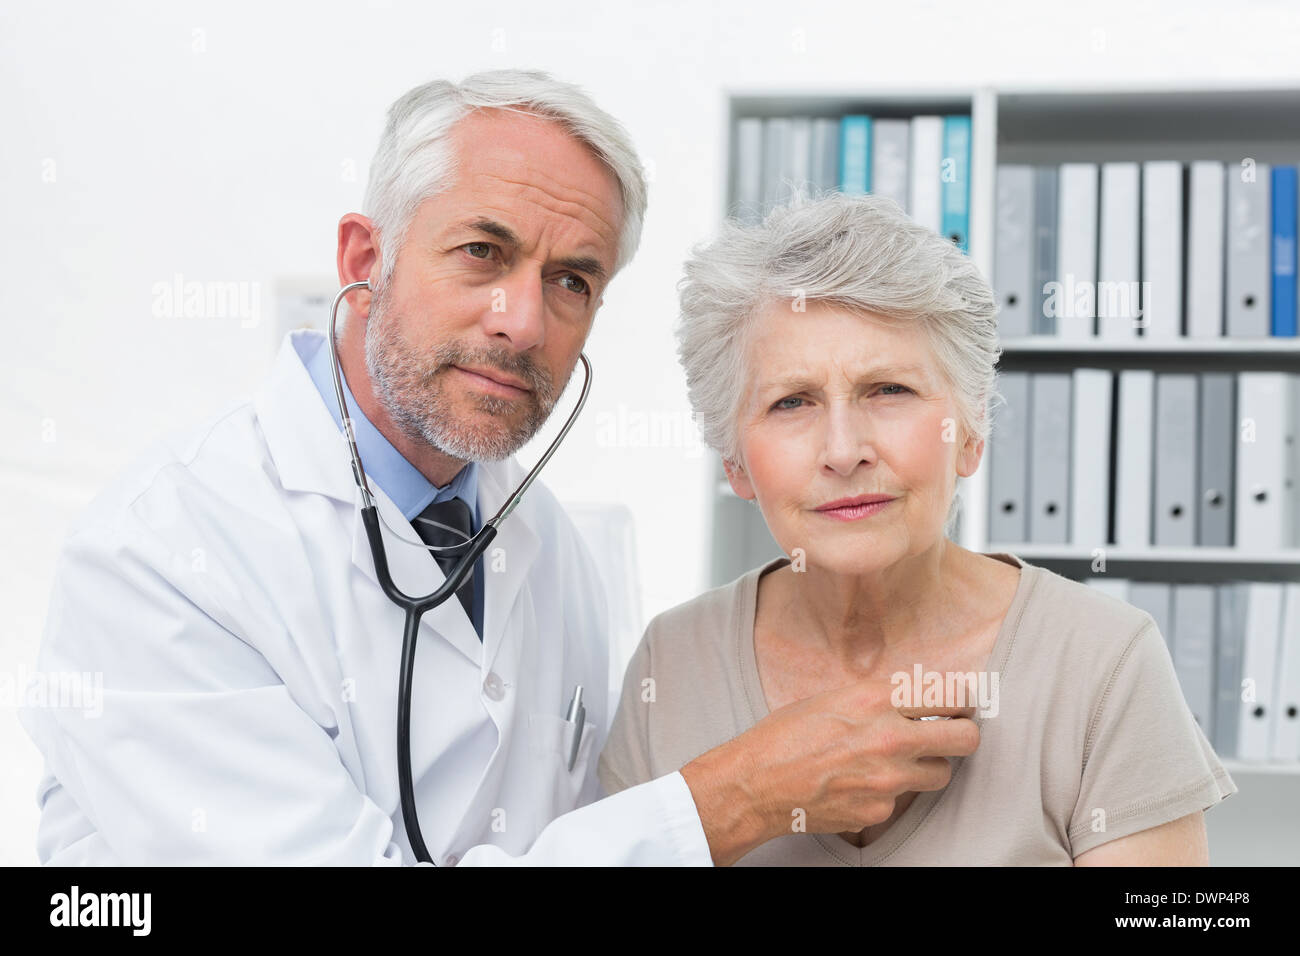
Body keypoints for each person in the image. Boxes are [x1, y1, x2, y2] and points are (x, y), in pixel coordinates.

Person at [20, 71, 978, 866]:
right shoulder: (163, 552)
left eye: (573, 281)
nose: (522, 322)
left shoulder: (546, 543)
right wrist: (734, 798)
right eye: (483, 252)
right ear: (368, 255)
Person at [599, 191, 1238, 865]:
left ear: (969, 435)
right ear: (736, 463)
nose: (844, 451)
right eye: (792, 401)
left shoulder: (1103, 662)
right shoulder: (672, 663)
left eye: (889, 391)